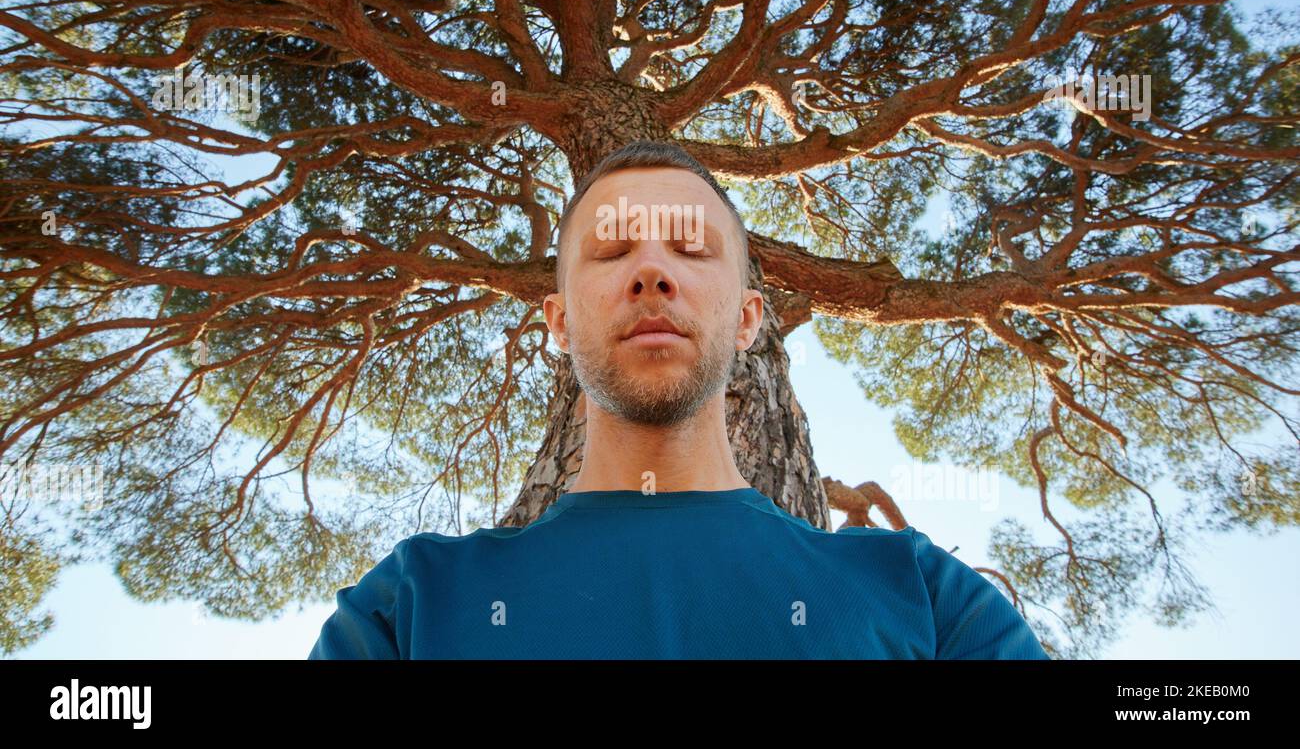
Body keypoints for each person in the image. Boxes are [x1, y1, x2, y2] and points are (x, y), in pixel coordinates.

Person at [309, 140, 1049, 659]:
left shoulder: (919, 591)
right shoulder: (410, 604)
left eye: (692, 250)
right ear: (560, 322)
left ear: (749, 319)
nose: (653, 271)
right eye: (612, 250)